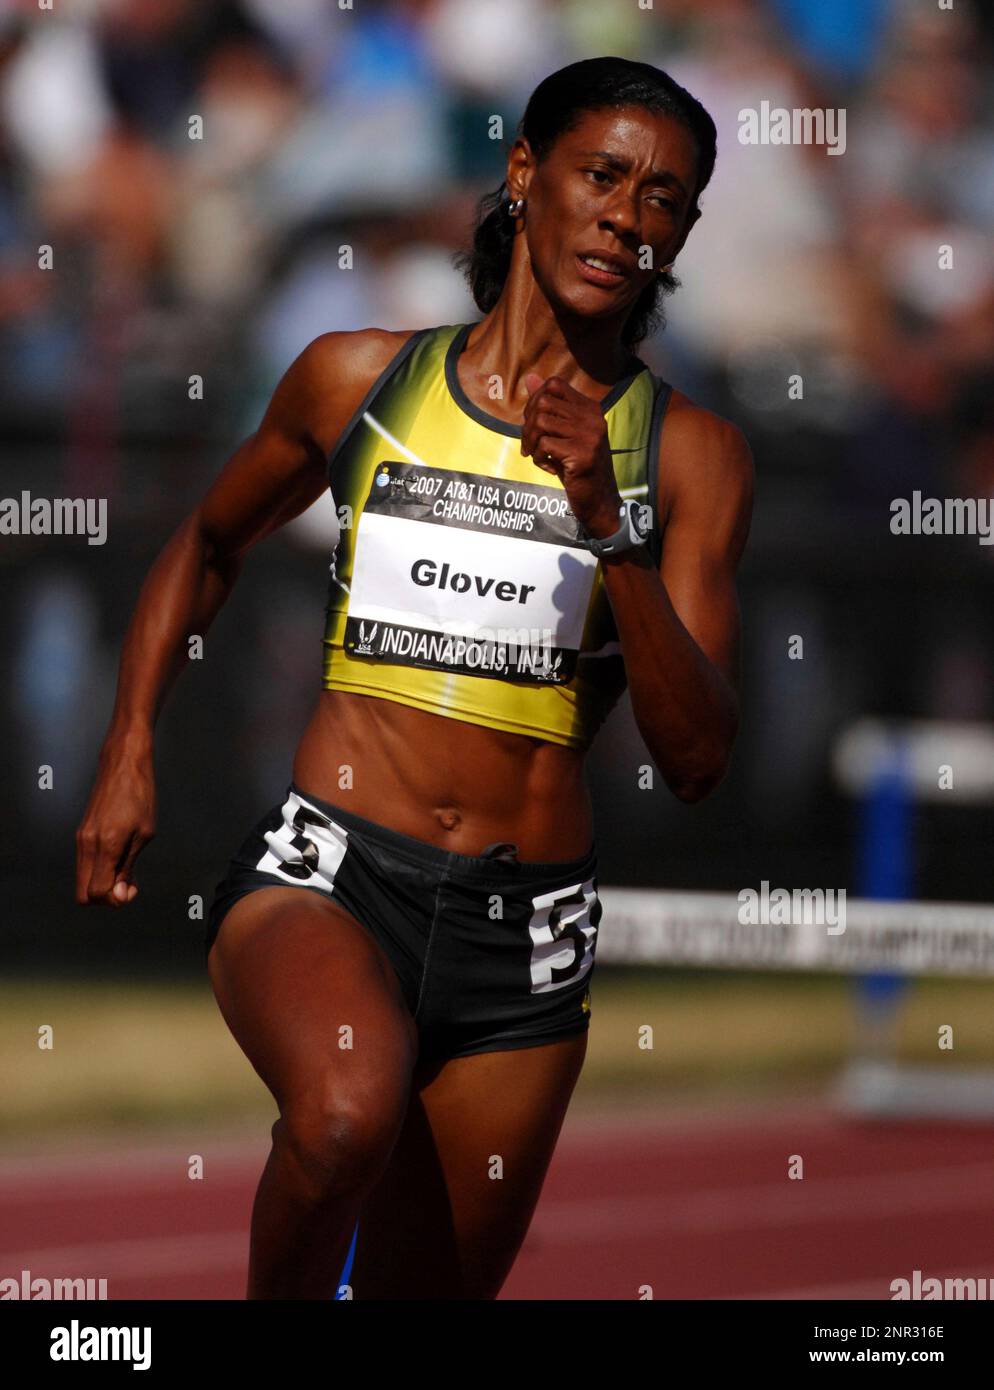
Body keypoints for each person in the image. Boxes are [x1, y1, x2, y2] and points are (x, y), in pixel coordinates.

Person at [75, 57, 753, 1300]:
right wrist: (128, 746)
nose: (625, 215)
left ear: (683, 235)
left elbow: (697, 755)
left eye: (664, 199)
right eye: (602, 174)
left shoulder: (692, 458)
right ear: (521, 175)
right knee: (341, 1117)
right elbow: (207, 542)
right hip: (334, 872)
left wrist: (611, 530)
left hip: (527, 937)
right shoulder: (358, 378)